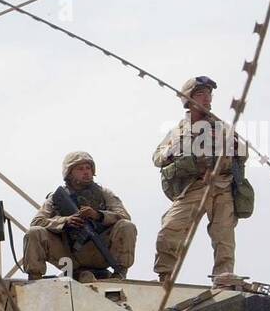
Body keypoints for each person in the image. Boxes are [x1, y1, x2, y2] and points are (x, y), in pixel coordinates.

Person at [152, 76, 251, 285]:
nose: (206, 99)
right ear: (188, 99)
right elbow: (157, 158)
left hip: (222, 186)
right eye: (200, 94)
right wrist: (175, 151)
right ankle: (165, 276)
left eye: (209, 94)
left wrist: (229, 145)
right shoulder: (179, 131)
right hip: (192, 187)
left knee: (223, 236)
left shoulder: (222, 127)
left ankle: (223, 279)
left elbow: (244, 151)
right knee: (169, 230)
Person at [22, 151, 136, 281]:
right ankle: (35, 278)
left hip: (99, 251)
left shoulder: (103, 193)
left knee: (126, 226)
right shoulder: (57, 197)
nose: (86, 172)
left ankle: (119, 274)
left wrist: (98, 215)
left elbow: (124, 216)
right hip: (68, 255)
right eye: (80, 169)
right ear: (69, 173)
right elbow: (37, 221)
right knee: (34, 232)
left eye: (88, 168)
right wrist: (65, 221)